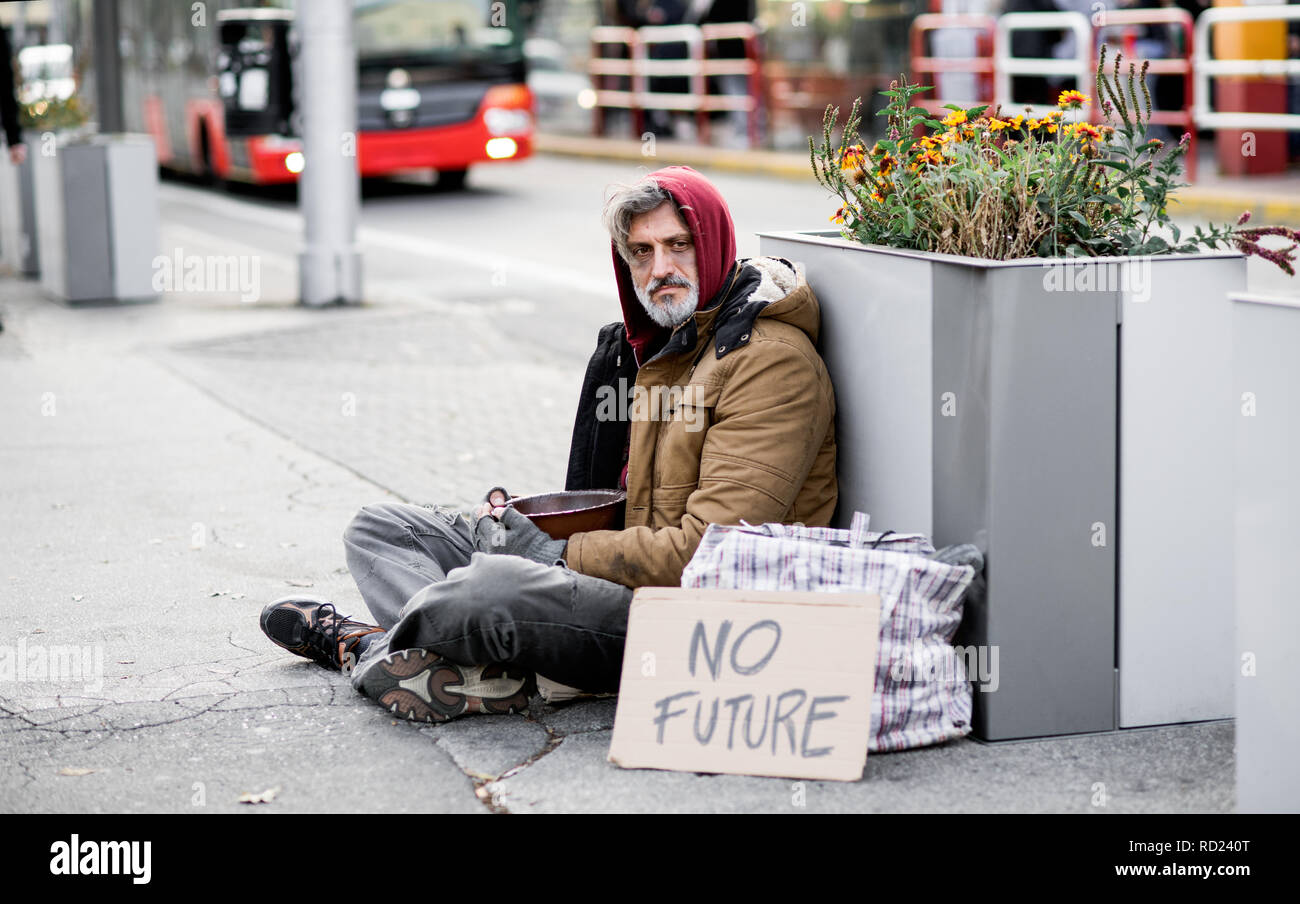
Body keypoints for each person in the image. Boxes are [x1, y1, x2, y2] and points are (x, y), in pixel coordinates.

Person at [258, 166, 838, 723]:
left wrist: (550, 554)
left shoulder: (769, 363)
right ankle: (461, 661)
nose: (660, 268)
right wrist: (528, 527)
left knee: (488, 587)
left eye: (678, 244)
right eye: (641, 252)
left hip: (690, 616)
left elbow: (711, 555)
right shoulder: (667, 345)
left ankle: (368, 648)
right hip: (619, 571)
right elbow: (630, 503)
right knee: (380, 528)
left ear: (713, 244)